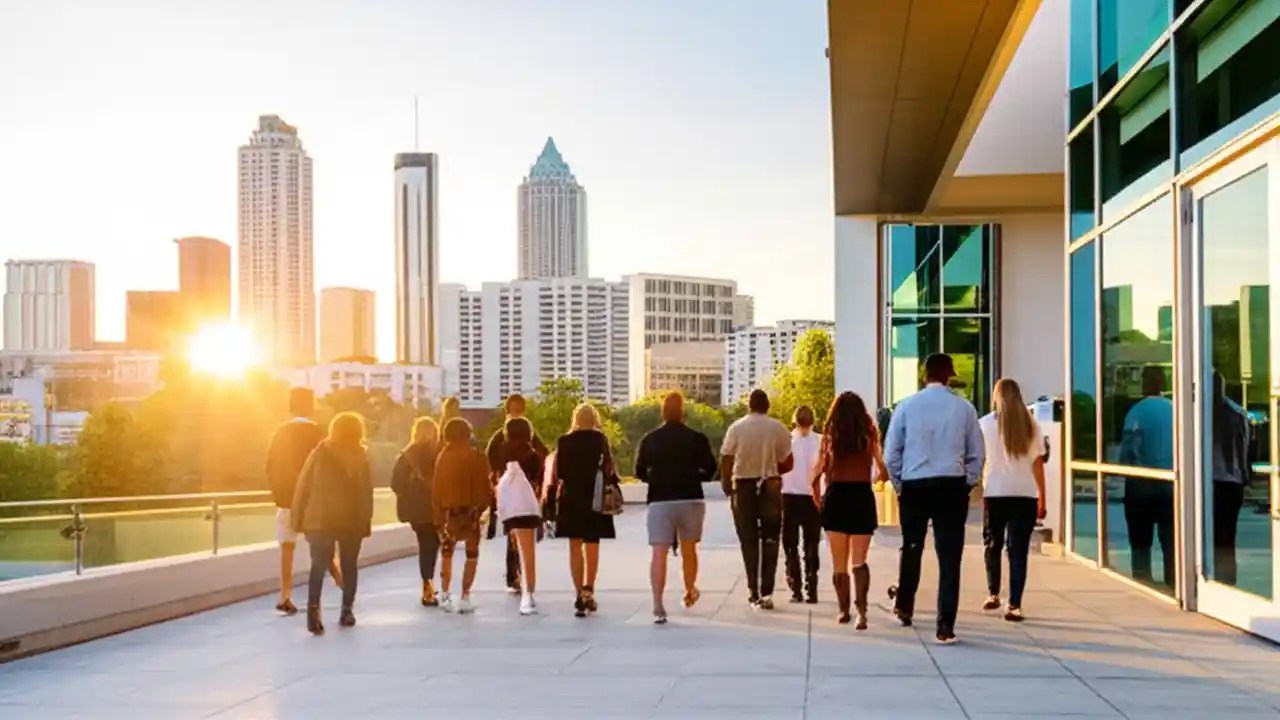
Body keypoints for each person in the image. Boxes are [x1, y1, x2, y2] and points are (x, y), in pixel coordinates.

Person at [885, 353, 984, 645]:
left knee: (912, 547)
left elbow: (891, 453)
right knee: (950, 556)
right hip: (950, 485)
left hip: (915, 485)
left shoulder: (905, 407)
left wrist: (900, 485)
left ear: (923, 374)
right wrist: (968, 482)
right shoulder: (964, 408)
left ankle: (904, 607)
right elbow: (977, 452)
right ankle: (945, 626)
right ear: (948, 376)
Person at [637, 392, 719, 624]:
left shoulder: (650, 439)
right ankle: (690, 589)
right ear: (683, 412)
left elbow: (640, 471)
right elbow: (711, 468)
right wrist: (694, 475)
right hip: (690, 498)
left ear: (662, 412)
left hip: (660, 500)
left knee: (658, 552)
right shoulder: (696, 438)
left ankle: (658, 604)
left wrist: (656, 479)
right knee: (689, 548)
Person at [292, 412, 374, 635]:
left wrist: (299, 520)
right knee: (349, 565)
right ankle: (346, 610)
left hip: (320, 519)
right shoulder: (361, 456)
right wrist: (365, 520)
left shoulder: (319, 453)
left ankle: (313, 610)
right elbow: (366, 492)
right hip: (351, 520)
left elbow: (303, 486)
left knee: (318, 565)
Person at [266, 387, 341, 615]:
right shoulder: (316, 433)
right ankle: (343, 585)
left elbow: (270, 466)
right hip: (312, 501)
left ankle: (285, 595)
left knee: (287, 546)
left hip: (287, 500)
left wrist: (279, 495)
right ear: (311, 406)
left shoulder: (279, 433)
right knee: (322, 547)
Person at [815, 392, 886, 628]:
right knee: (859, 561)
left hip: (836, 496)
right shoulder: (869, 435)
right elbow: (882, 469)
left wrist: (817, 499)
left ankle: (843, 610)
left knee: (839, 563)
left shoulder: (829, 436)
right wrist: (876, 477)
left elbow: (817, 472)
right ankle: (862, 612)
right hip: (861, 496)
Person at [978, 378, 1047, 622]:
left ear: (996, 396)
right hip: (1025, 495)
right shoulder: (1032, 425)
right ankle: (1014, 604)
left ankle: (993, 593)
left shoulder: (984, 424)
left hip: (995, 493)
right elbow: (1038, 464)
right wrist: (1042, 498)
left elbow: (978, 460)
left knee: (993, 544)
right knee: (1018, 552)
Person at [720, 389, 794, 610]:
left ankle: (753, 589)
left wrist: (727, 484)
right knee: (771, 537)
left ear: (749, 406)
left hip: (743, 486)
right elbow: (788, 462)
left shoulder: (736, 428)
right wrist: (772, 468)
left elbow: (726, 457)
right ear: (767, 406)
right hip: (770, 485)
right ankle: (767, 590)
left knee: (748, 538)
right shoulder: (778, 428)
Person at [548, 403, 618, 617]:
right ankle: (589, 590)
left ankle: (578, 592)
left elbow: (558, 473)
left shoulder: (564, 441)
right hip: (595, 499)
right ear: (594, 419)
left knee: (575, 546)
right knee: (592, 544)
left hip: (571, 498)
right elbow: (609, 468)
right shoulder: (600, 440)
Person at [1119, 366, 1176, 588]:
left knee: (1140, 540)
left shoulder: (1136, 412)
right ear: (1163, 383)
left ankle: (1143, 580)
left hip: (1140, 486)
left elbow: (1128, 451)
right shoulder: (1173, 410)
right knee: (1170, 538)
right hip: (1170, 484)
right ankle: (1173, 579)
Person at [485, 394, 549, 593]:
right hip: (521, 493)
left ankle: (516, 575)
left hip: (511, 493)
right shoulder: (507, 437)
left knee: (513, 534)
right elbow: (544, 455)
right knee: (520, 536)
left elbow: (543, 452)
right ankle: (518, 576)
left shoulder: (509, 438)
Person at [433, 417, 492, 614]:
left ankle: (445, 593)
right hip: (471, 513)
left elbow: (437, 489)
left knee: (447, 553)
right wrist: (483, 508)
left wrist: (438, 517)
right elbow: (485, 488)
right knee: (472, 554)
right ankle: (465, 596)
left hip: (449, 513)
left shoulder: (442, 458)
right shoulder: (476, 457)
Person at [391, 416, 442, 607]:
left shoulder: (405, 455)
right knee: (431, 545)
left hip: (414, 511)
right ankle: (428, 587)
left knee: (425, 545)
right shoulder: (437, 453)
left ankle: (428, 585)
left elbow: (395, 484)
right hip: (432, 508)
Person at [497, 417, 545, 615]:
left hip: (510, 509)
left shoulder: (502, 453)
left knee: (515, 547)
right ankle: (528, 594)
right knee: (528, 553)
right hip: (526, 507)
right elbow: (538, 481)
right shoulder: (531, 455)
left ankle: (517, 580)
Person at [1210, 370, 1252, 586]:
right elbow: (1246, 448)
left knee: (1204, 537)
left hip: (1211, 482)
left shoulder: (1202, 413)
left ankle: (1209, 582)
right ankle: (1226, 582)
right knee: (1226, 539)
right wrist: (1245, 475)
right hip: (1233, 483)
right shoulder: (1238, 412)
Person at [782, 405, 823, 604]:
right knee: (811, 544)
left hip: (788, 497)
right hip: (812, 498)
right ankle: (812, 587)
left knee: (790, 545)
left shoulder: (786, 441)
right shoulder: (822, 441)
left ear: (794, 421)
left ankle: (795, 588)